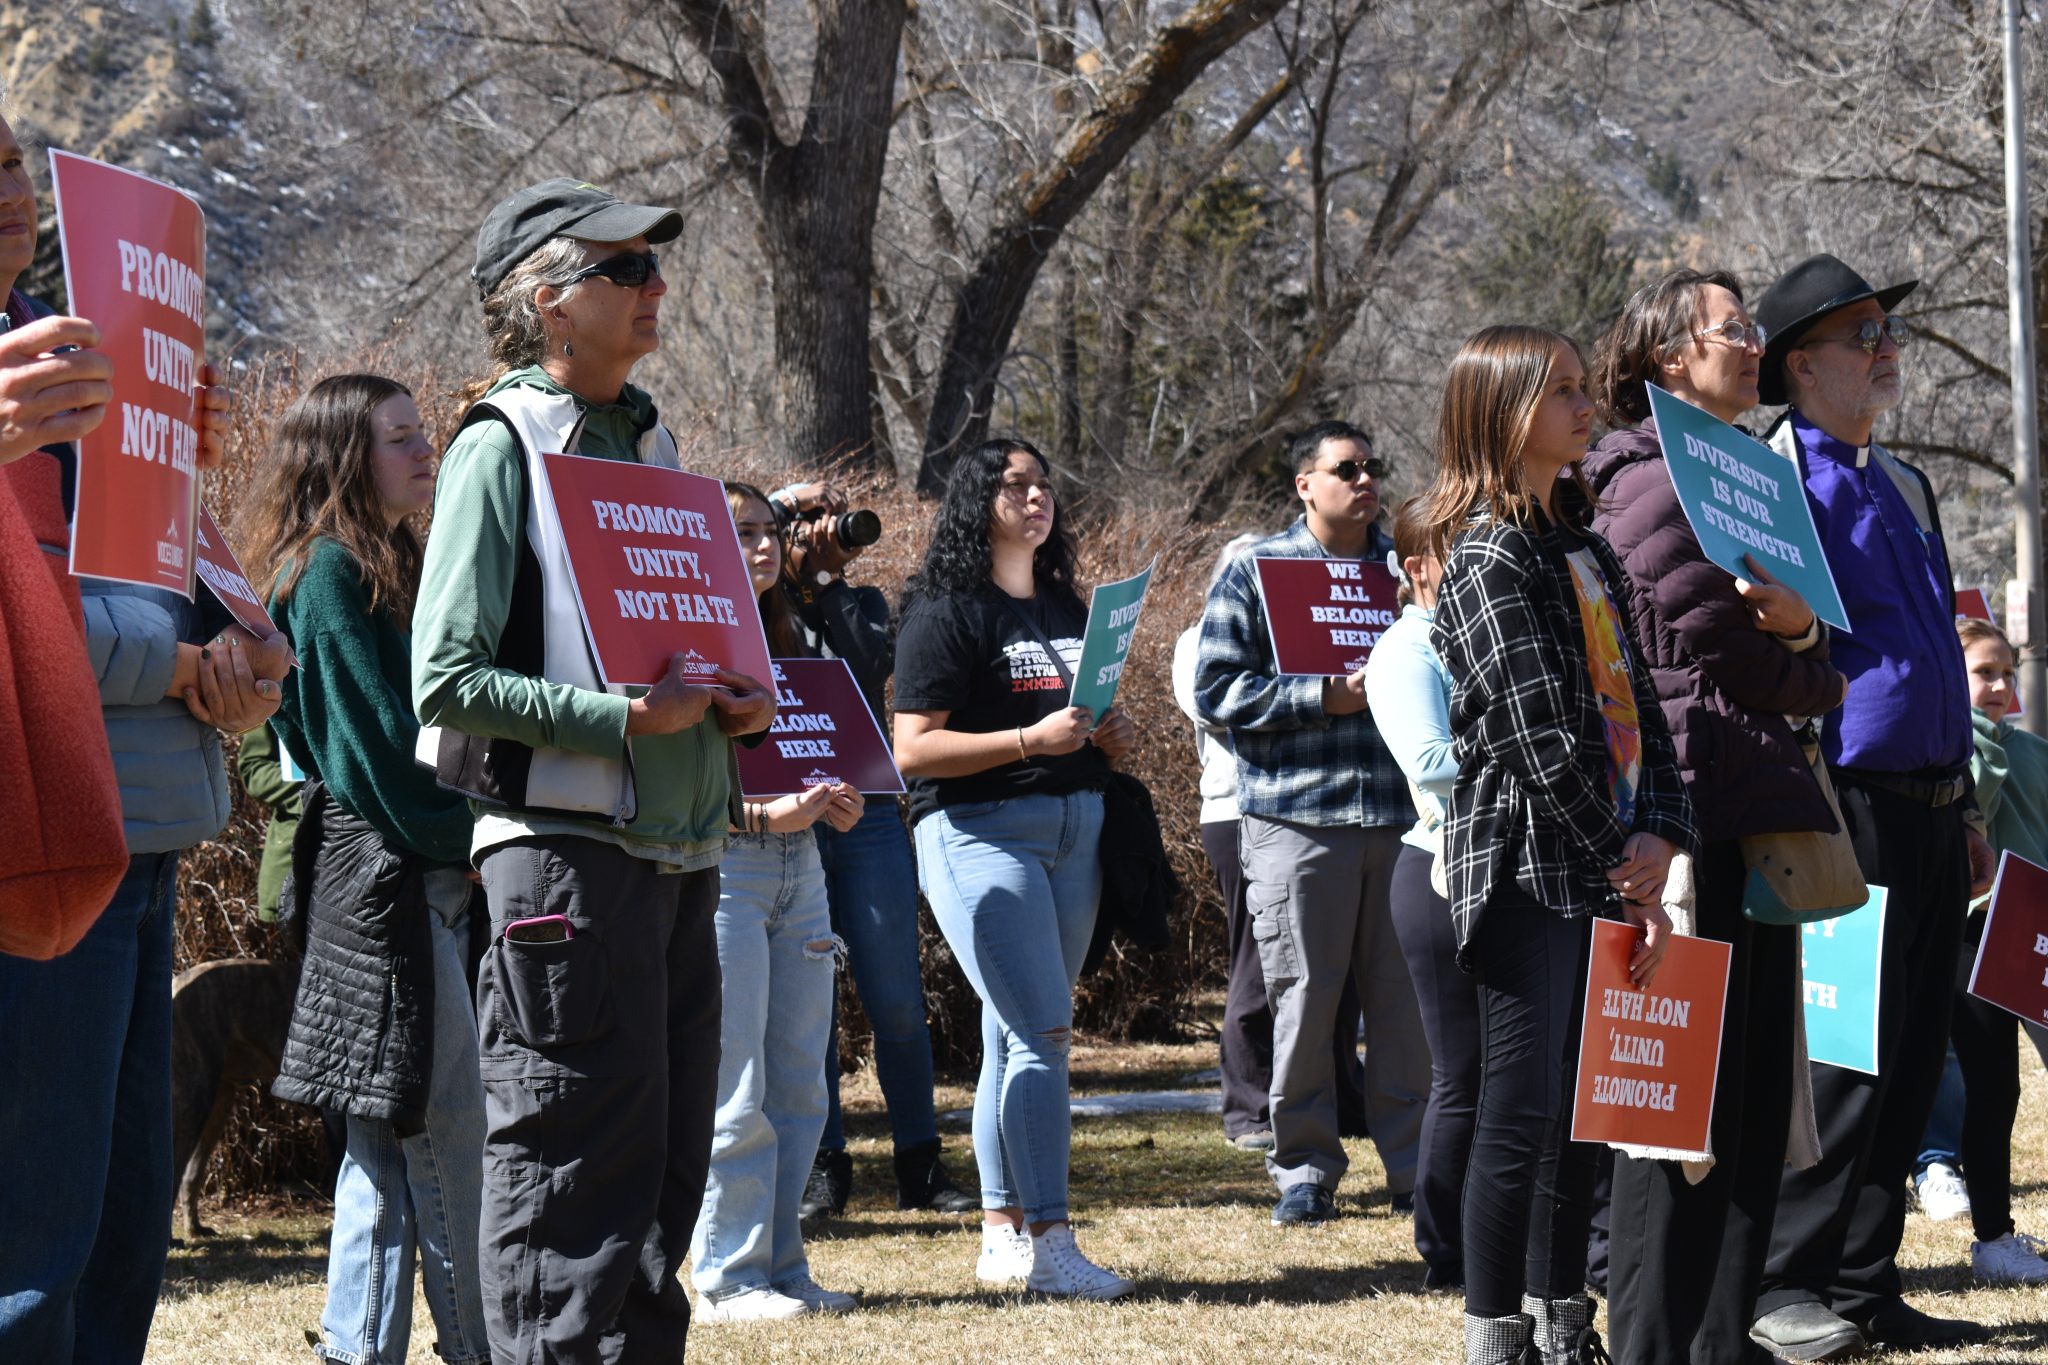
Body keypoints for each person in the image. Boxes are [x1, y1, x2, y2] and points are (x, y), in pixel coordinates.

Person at [411, 178, 776, 1361]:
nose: (654, 287)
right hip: (562, 867)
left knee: (660, 1203)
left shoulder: (653, 440)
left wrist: (733, 700)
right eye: (625, 270)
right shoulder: (496, 445)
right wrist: (624, 718)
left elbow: (680, 648)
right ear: (547, 302)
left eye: (652, 267)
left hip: (678, 863)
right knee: (569, 1195)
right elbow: (445, 684)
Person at [0, 111, 274, 1365]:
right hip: (37, 853)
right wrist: (171, 666)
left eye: (13, 164)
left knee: (120, 1230)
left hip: (147, 835)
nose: (8, 190)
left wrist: (249, 666)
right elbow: (52, 621)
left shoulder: (80, 384)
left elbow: (193, 597)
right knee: (31, 1245)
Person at [1581, 269, 1848, 1365]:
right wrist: (1797, 648)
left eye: (1745, 327)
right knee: (1670, 1130)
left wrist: (1799, 644)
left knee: (1737, 1126)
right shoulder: (1653, 487)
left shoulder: (1742, 479)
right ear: (1662, 358)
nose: (1750, 343)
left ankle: (1717, 1345)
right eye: (1727, 329)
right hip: (1680, 835)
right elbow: (1751, 663)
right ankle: (1652, 1346)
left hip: (1743, 829)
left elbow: (1805, 647)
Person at [1419, 325, 1696, 1365]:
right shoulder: (1488, 552)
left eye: (1586, 388)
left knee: (1582, 1115)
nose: (1587, 407)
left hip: (1606, 852)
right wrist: (1614, 854)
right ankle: (1495, 1338)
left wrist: (1660, 831)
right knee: (1518, 1109)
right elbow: (1538, 732)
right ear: (1501, 415)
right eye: (1562, 393)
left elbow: (1643, 712)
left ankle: (1559, 1322)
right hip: (1526, 861)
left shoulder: (1582, 545)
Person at [1748, 254, 1997, 1359]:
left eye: (1885, 327)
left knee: (1906, 1053)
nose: (1884, 346)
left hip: (1934, 803)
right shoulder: (1763, 479)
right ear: (1801, 365)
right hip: (1838, 800)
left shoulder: (1902, 483)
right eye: (1861, 334)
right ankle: (1785, 1284)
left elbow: (1934, 649)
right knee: (1838, 1055)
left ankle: (1862, 1279)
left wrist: (1970, 801)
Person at [246, 373, 489, 1365]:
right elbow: (378, 751)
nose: (424, 451)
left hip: (399, 863)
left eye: (422, 434)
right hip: (380, 873)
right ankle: (484, 1348)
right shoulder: (329, 574)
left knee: (386, 1143)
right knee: (446, 1128)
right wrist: (475, 839)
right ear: (344, 456)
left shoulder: (391, 560)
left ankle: (358, 1352)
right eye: (400, 438)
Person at [892, 436, 1137, 1300]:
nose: (1037, 497)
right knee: (1043, 1033)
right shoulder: (946, 610)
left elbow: (1086, 718)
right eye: (1014, 485)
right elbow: (912, 747)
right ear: (975, 501)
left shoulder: (1072, 609)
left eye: (1044, 485)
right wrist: (1031, 739)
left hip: (1077, 827)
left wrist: (1107, 736)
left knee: (1014, 1033)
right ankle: (1054, 1240)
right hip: (978, 834)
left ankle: (1002, 1230)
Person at [1193, 419, 1430, 1226]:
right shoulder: (1257, 572)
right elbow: (1215, 693)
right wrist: (1321, 696)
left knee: (1405, 1006)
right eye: (1345, 469)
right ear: (1305, 483)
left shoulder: (1404, 568)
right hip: (1297, 819)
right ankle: (1303, 1167)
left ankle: (1415, 1166)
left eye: (1373, 467)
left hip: (1403, 820)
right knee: (1304, 998)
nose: (1365, 481)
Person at [766, 478, 976, 1223]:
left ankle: (920, 1161)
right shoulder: (754, 601)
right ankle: (826, 1164)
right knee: (809, 999)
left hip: (869, 809)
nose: (831, 536)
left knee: (896, 996)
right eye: (809, 525)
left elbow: (864, 670)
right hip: (787, 811)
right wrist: (787, 561)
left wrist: (826, 585)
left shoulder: (865, 604)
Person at [690, 483, 865, 1321]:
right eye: (742, 532)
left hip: (804, 866)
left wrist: (841, 794)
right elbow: (671, 785)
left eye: (770, 531)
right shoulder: (685, 639)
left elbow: (818, 750)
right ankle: (726, 1276)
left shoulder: (793, 631)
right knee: (738, 1085)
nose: (763, 546)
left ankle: (784, 1267)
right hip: (727, 870)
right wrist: (765, 813)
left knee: (802, 1085)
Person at [1174, 534, 1374, 1154]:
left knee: (1332, 974)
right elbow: (1210, 707)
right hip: (1242, 811)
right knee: (1260, 968)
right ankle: (1249, 1105)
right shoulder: (1199, 639)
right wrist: (1306, 685)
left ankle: (1343, 1092)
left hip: (1331, 809)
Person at [1363, 496, 1475, 1291]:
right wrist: (1534, 733)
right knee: (1463, 1072)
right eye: (1458, 545)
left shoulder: (1482, 631)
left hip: (1502, 866)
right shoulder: (1406, 649)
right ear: (1418, 566)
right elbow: (1432, 761)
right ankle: (1444, 1248)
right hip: (1438, 872)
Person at [1946, 617, 2048, 1285]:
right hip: (1974, 937)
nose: (2002, 686)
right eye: (1984, 672)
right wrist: (1972, 729)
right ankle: (1992, 1237)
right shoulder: (1956, 751)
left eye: (2009, 672)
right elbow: (1975, 797)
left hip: (2035, 930)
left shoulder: (2034, 748)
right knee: (1993, 1087)